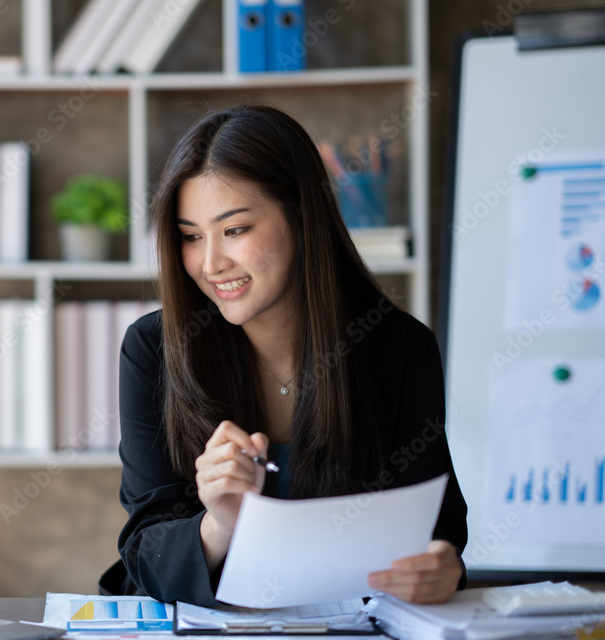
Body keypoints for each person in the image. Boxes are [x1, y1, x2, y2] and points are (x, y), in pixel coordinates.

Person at [99, 105, 468, 607]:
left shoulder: (401, 350)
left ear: (301, 215)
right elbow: (145, 553)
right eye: (190, 236)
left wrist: (440, 568)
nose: (210, 264)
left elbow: (437, 532)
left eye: (234, 230)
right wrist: (219, 524)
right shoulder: (154, 351)